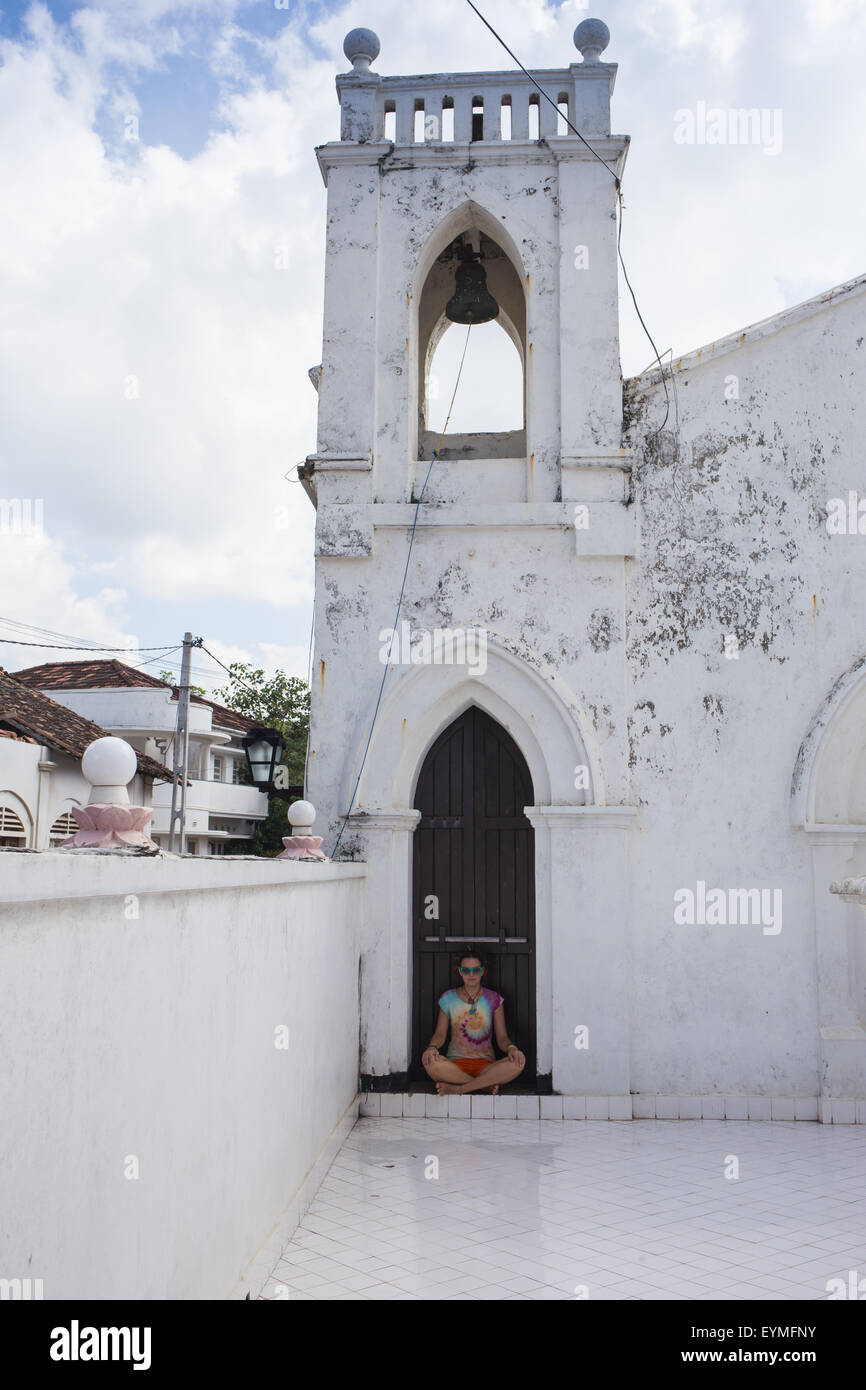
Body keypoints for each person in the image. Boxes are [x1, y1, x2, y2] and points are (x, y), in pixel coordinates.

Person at [421, 951, 526, 1095]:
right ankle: (484, 1085)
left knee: (517, 1063)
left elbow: (502, 1037)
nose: (471, 974)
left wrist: (512, 1048)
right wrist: (432, 1048)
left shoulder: (493, 999)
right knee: (431, 1063)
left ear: (482, 971)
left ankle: (459, 1088)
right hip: (455, 1066)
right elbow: (440, 1033)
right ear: (460, 971)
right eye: (466, 970)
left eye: (476, 970)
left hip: (487, 1066)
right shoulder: (448, 998)